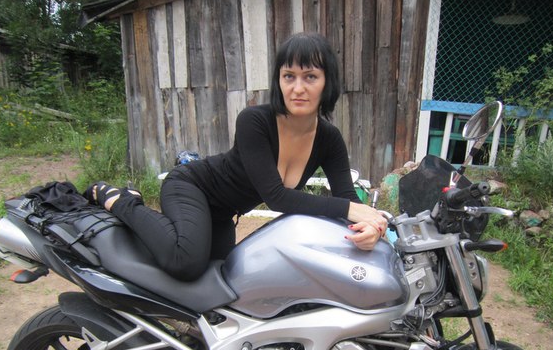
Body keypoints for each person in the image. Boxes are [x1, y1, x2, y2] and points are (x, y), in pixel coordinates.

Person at [86, 32, 388, 281]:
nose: (298, 88)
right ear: (279, 81)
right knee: (186, 262)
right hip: (190, 187)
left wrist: (371, 228)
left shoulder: (329, 139)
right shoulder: (254, 120)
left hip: (222, 213)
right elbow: (277, 197)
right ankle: (120, 200)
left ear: (327, 82)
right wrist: (353, 210)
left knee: (224, 279)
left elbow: (350, 200)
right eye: (289, 76)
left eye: (310, 76)